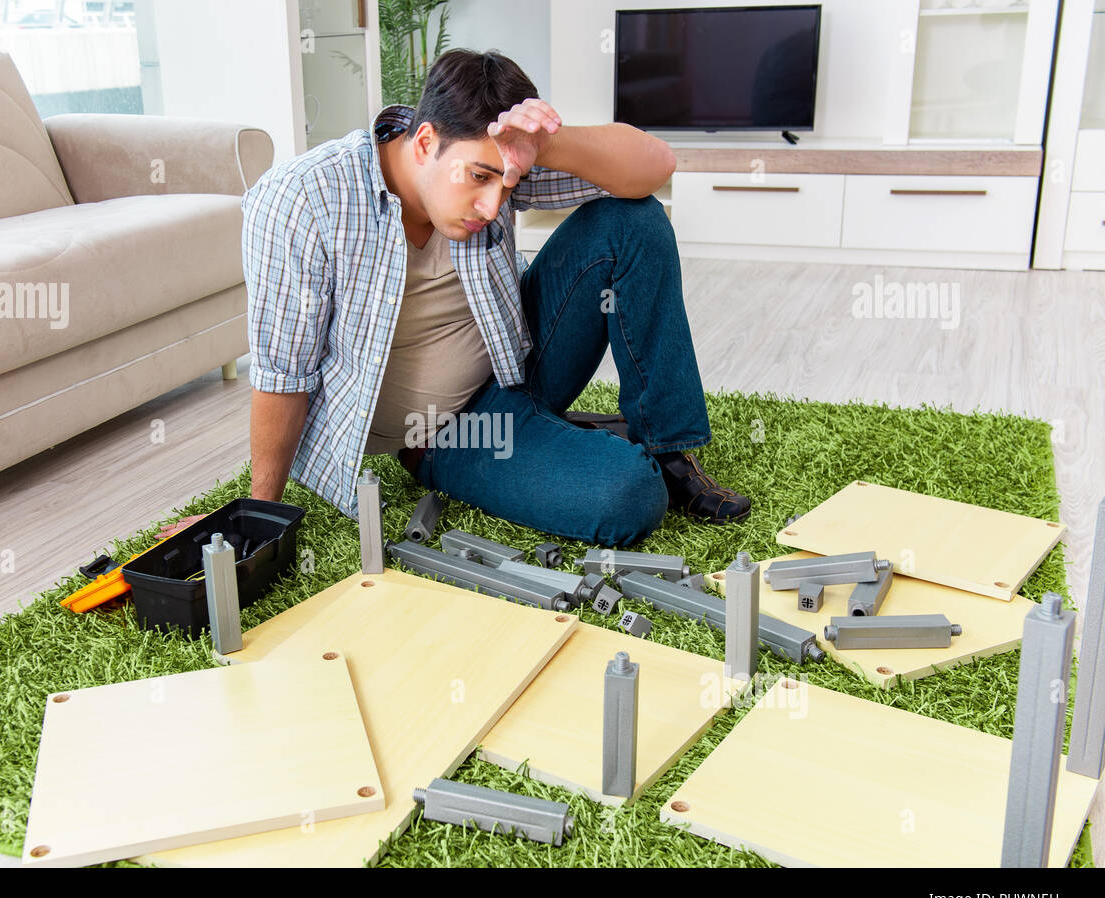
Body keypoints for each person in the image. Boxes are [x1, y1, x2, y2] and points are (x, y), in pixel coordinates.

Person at [160, 48, 749, 545]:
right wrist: (259, 514)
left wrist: (545, 143)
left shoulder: (492, 156)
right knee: (628, 497)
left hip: (515, 367)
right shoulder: (302, 200)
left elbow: (655, 167)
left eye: (509, 183)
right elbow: (282, 369)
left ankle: (668, 450)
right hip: (446, 430)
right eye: (480, 179)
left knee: (635, 222)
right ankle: (573, 444)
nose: (494, 205)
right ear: (424, 142)